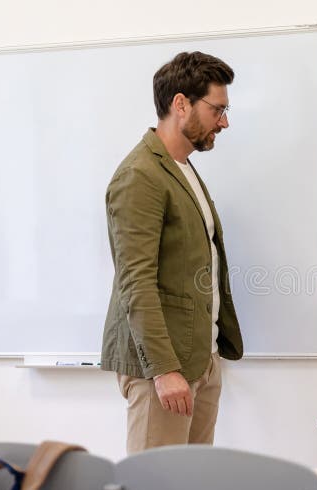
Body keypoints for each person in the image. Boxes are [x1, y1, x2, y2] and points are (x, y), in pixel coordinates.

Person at [101, 51, 243, 455]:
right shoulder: (140, 176)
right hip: (162, 370)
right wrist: (164, 370)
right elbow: (136, 282)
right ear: (180, 104)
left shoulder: (182, 168)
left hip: (200, 358)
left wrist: (210, 355)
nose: (224, 122)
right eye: (217, 109)